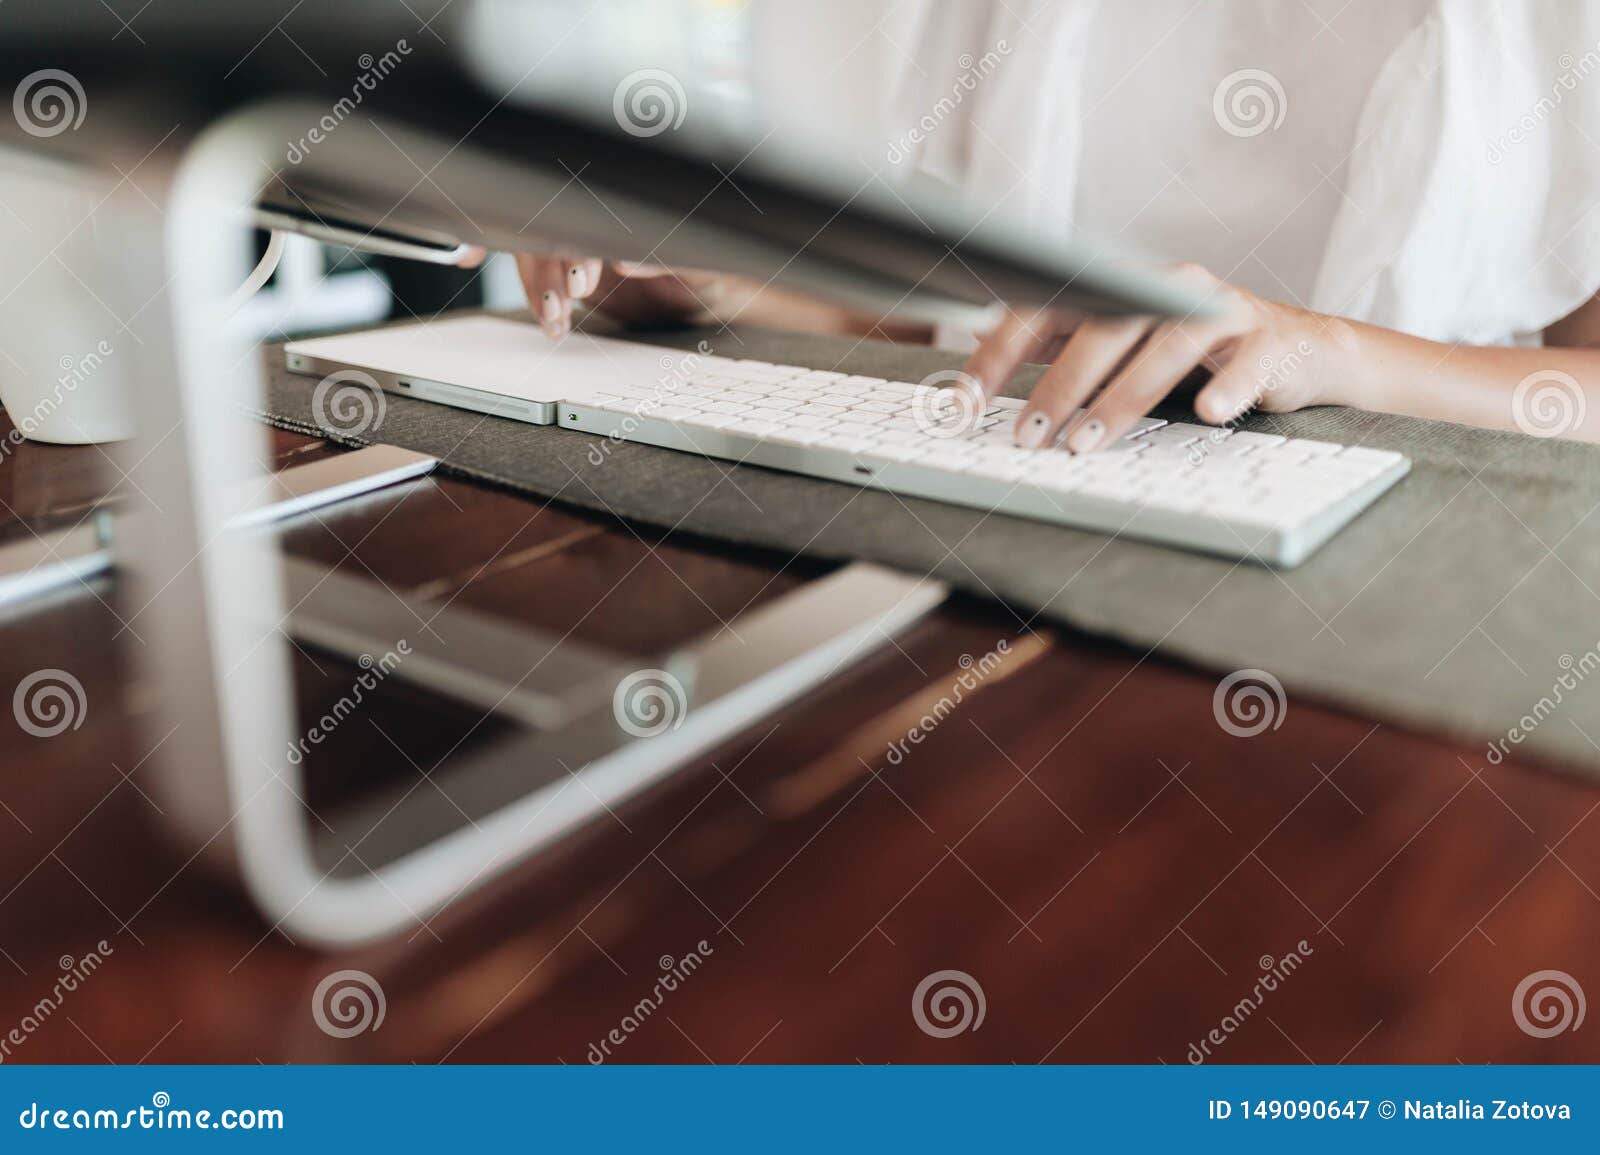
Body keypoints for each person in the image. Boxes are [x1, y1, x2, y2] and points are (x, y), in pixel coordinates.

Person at [514, 1, 1600, 450]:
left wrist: (1332, 351)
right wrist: (709, 287)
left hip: (1407, 549)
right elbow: (966, 334)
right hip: (1023, 490)